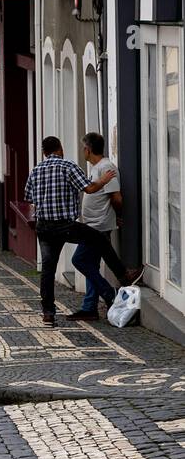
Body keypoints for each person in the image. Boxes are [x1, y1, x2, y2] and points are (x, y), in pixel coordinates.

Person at [24, 135, 125, 327]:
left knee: (48, 270)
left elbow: (28, 196)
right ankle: (123, 275)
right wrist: (103, 181)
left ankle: (48, 313)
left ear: (44, 153)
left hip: (44, 228)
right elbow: (89, 188)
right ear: (60, 149)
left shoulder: (35, 170)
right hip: (65, 226)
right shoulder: (68, 166)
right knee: (99, 239)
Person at [66, 133, 142, 320]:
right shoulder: (96, 168)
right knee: (90, 264)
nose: (82, 150)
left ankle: (109, 294)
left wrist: (116, 215)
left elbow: (116, 197)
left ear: (88, 149)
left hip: (98, 226)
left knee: (80, 260)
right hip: (92, 224)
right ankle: (89, 307)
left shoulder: (106, 168)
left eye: (83, 147)